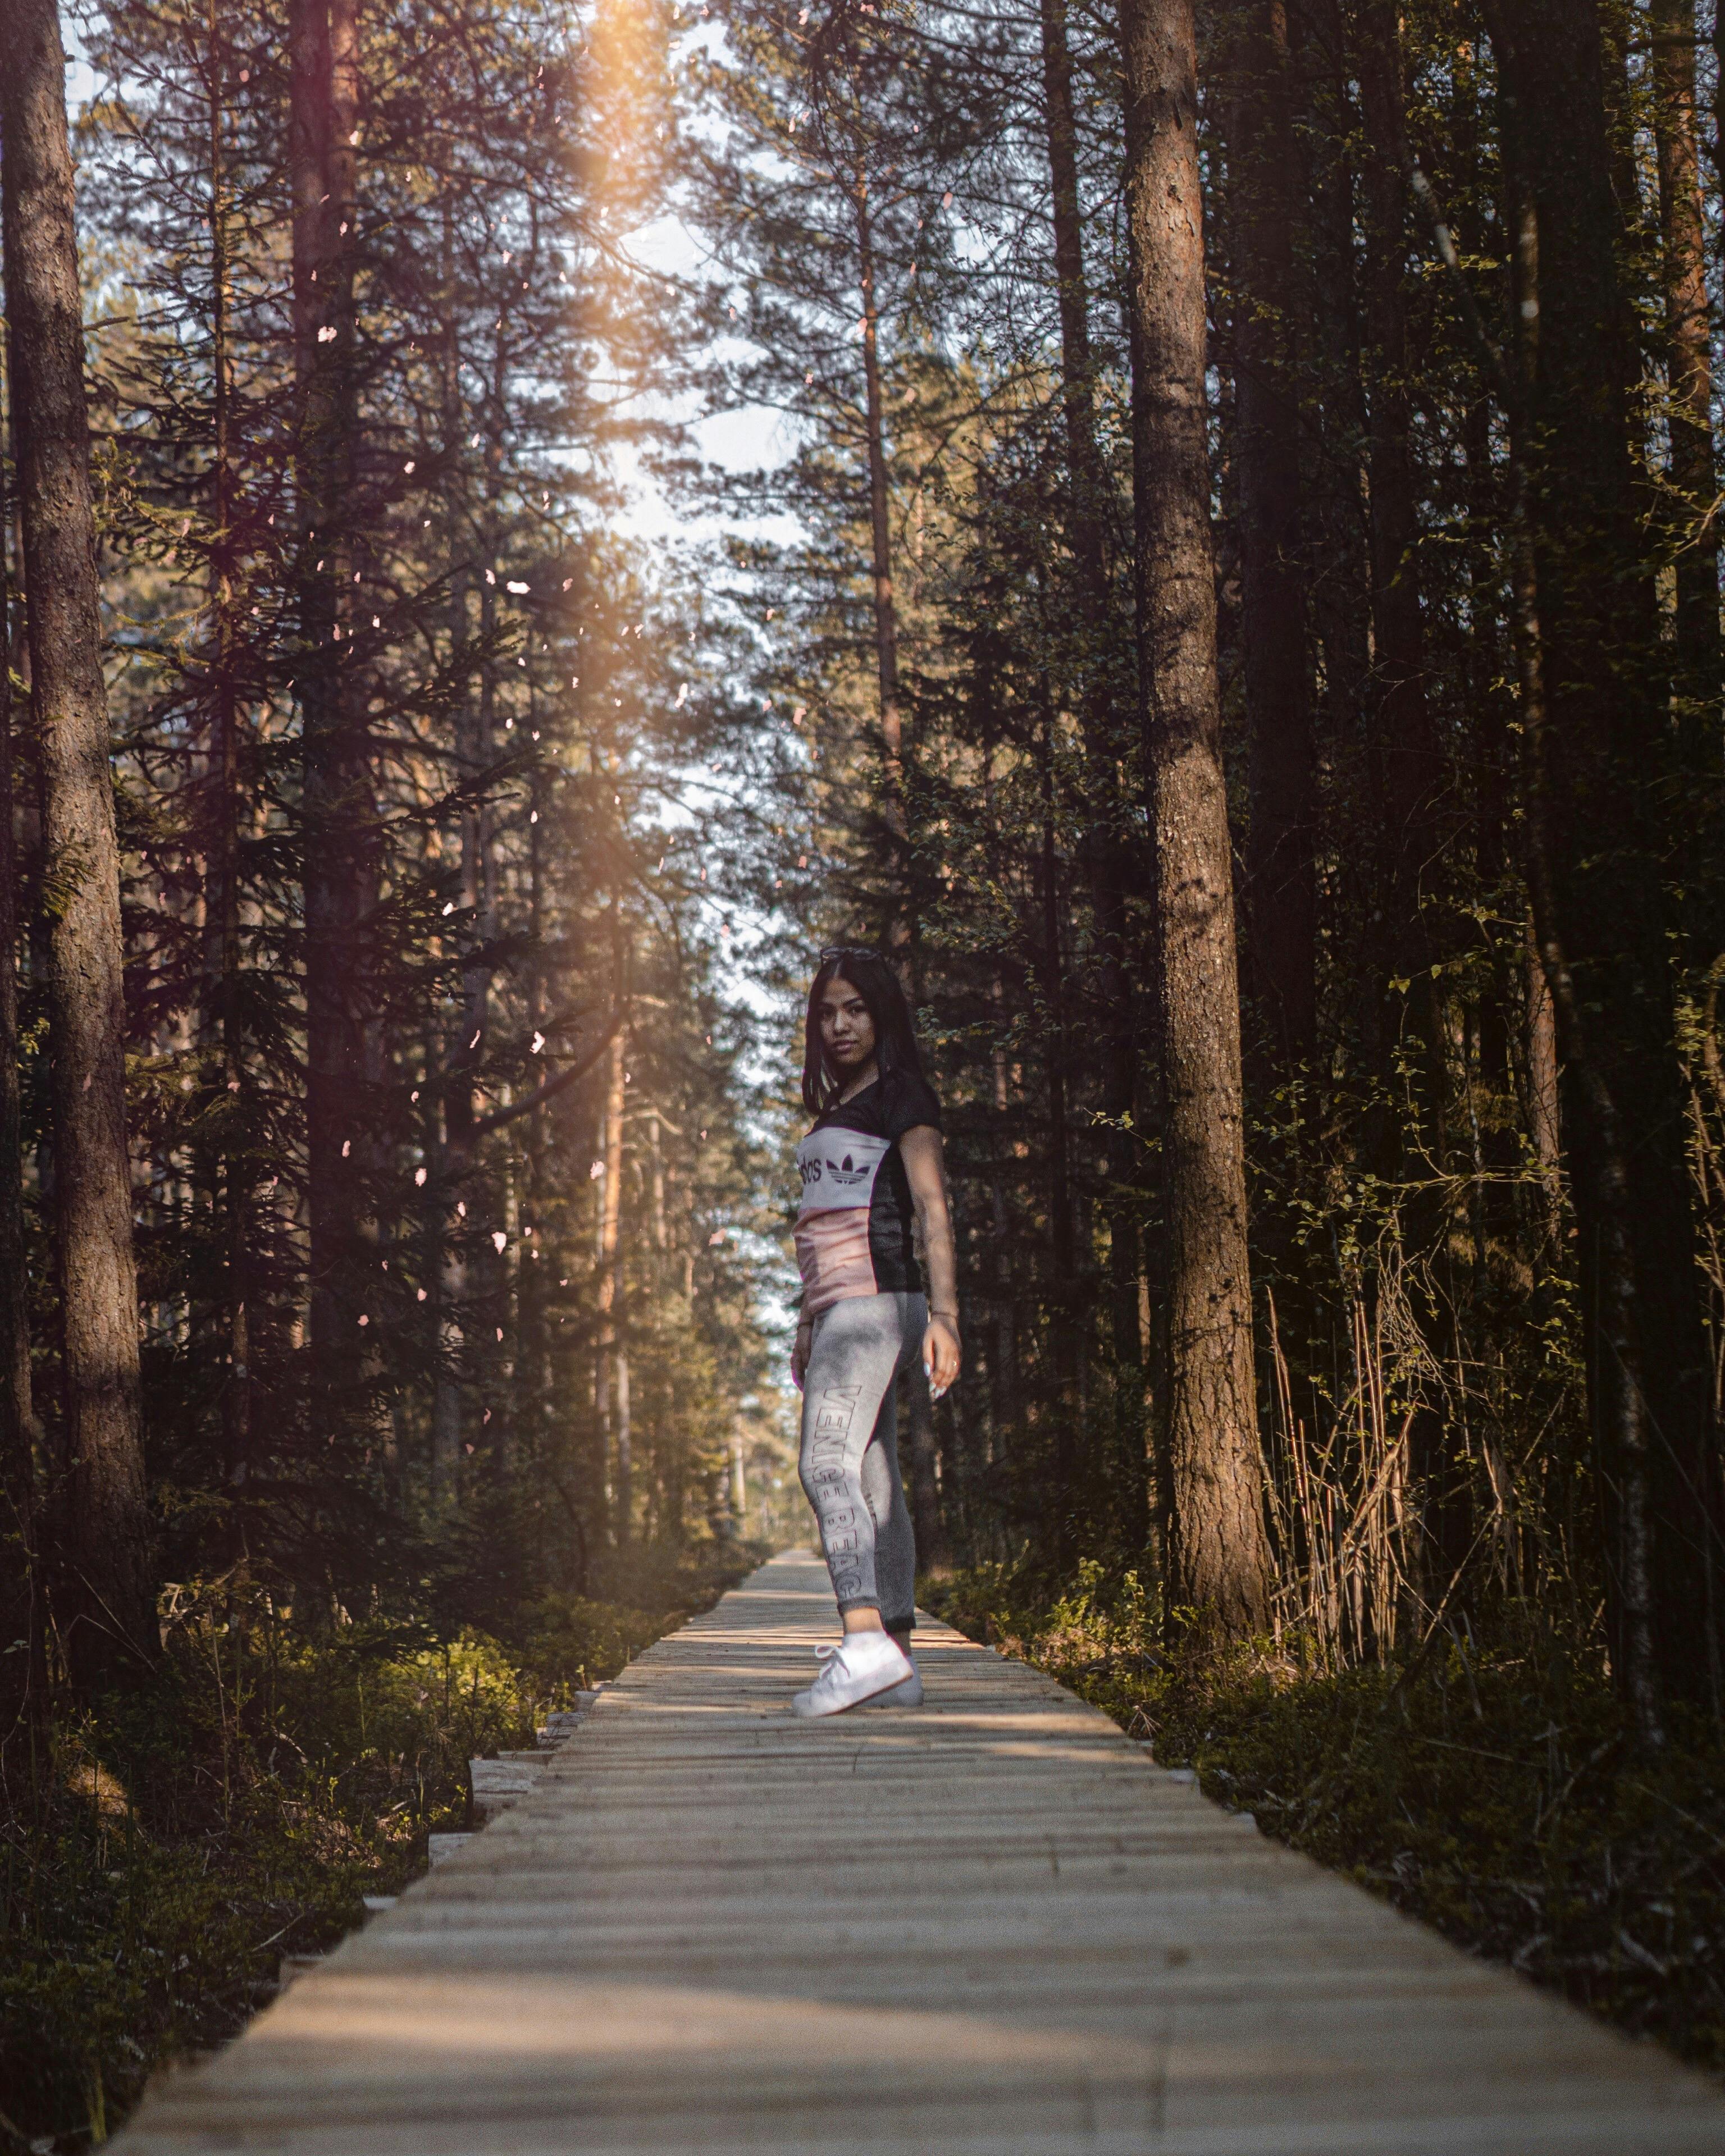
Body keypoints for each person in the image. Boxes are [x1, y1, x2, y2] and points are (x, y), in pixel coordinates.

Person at [788, 946, 961, 1716]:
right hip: (838, 1308)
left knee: (824, 1463)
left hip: (875, 1302)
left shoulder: (902, 1094)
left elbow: (933, 1209)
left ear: (883, 1011)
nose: (839, 1024)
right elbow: (820, 1226)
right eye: (828, 1011)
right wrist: (806, 1319)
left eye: (855, 1008)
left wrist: (947, 1315)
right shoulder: (841, 1106)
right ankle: (896, 1658)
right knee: (872, 1475)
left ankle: (862, 1643)